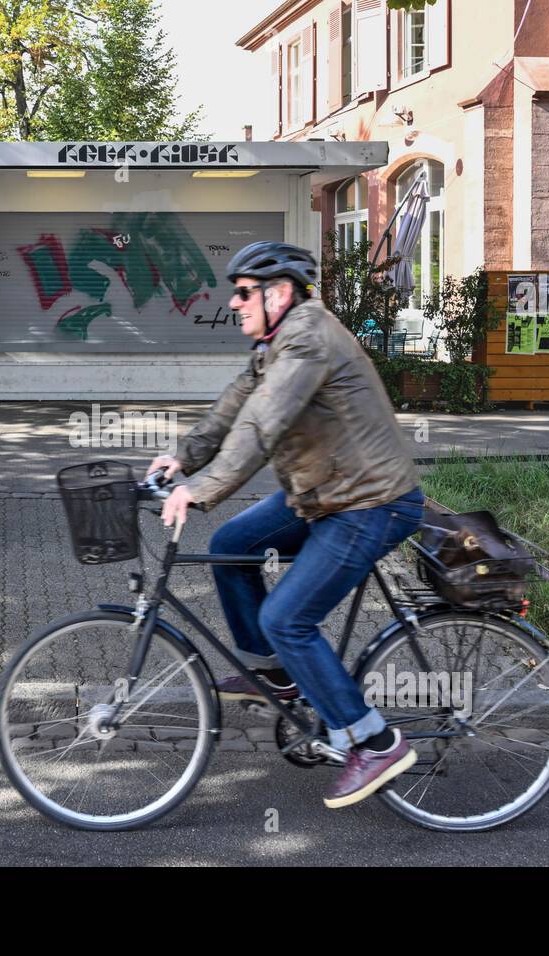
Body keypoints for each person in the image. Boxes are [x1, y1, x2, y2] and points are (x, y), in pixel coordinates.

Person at [147, 241, 426, 810]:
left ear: (278, 294)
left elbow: (262, 424)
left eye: (244, 292)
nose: (234, 302)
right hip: (323, 495)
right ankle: (276, 674)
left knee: (287, 617)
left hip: (369, 502)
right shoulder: (275, 342)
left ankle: (374, 742)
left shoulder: (308, 337)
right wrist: (184, 458)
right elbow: (236, 405)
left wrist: (201, 491)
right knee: (231, 546)